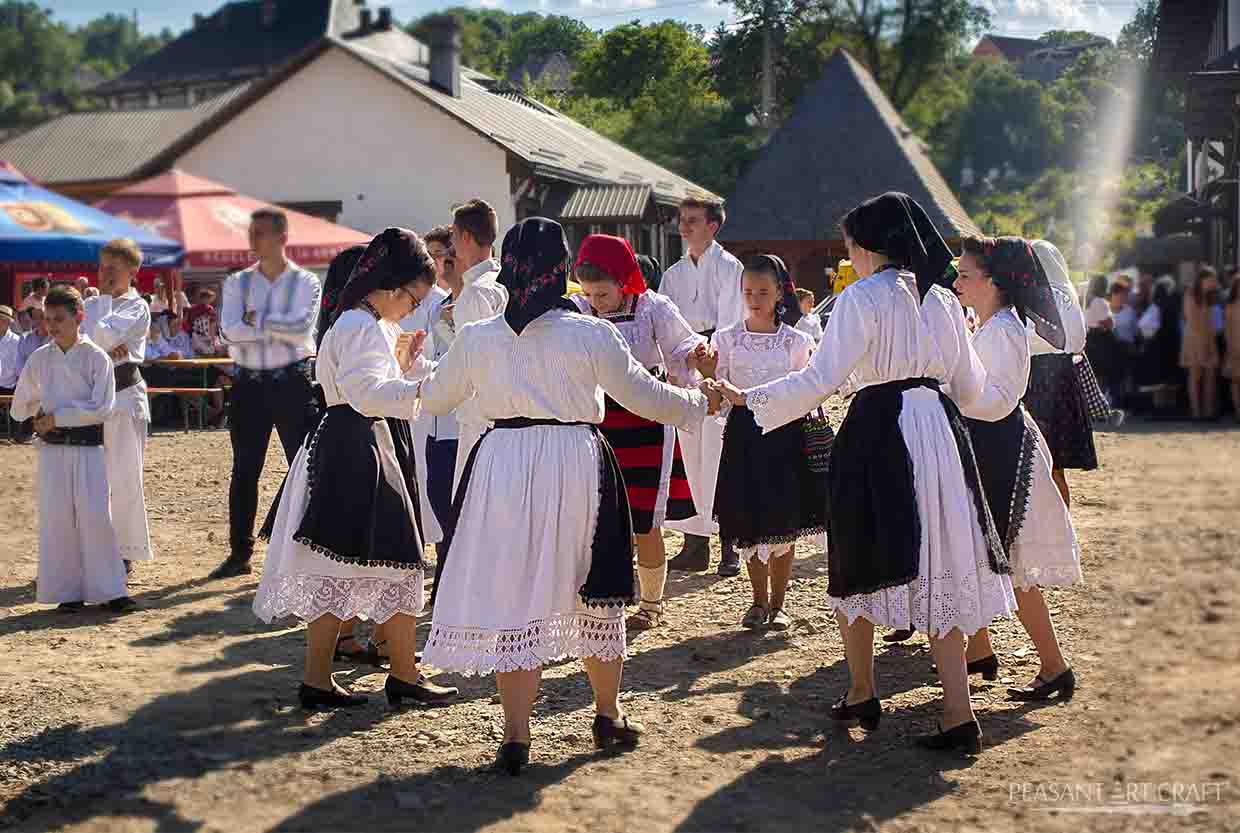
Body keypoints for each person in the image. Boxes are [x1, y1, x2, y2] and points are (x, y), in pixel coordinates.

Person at [712, 192, 1016, 753]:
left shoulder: (863, 298)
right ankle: (957, 709)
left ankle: (861, 687)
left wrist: (748, 400)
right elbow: (972, 389)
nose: (850, 254)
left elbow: (820, 379)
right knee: (942, 556)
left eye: (852, 244)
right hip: (939, 431)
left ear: (871, 246)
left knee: (856, 553)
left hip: (880, 429)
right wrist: (1007, 413)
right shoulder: (945, 302)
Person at [419, 218, 717, 775]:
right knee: (593, 587)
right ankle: (608, 713)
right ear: (561, 272)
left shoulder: (477, 337)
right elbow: (644, 395)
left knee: (515, 591)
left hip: (501, 466)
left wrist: (410, 367)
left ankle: (516, 736)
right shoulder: (589, 332)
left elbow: (436, 399)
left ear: (509, 268)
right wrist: (702, 404)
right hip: (575, 461)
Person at [253, 227, 456, 709]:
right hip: (356, 445)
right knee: (396, 560)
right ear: (389, 287)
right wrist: (421, 392)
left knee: (342, 566)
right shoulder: (361, 326)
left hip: (352, 441)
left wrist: (409, 368)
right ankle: (395, 675)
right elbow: (367, 393)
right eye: (412, 298)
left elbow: (372, 383)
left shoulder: (366, 323)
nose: (412, 308)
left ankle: (329, 677)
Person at [952, 236, 1081, 701]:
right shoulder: (988, 325)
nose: (957, 280)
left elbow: (998, 402)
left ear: (996, 282)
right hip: (990, 447)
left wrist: (949, 396)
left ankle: (1053, 665)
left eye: (966, 274)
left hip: (1004, 452)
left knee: (1014, 564)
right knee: (982, 553)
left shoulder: (1004, 330)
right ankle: (980, 647)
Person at [572, 234, 704, 631]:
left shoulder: (651, 307)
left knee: (646, 519)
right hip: (600, 422)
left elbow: (682, 345)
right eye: (591, 293)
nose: (597, 301)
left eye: (603, 292)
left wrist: (699, 354)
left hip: (647, 420)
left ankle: (650, 604)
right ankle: (603, 597)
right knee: (599, 515)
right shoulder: (579, 310)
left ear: (624, 281)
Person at [699, 255, 826, 631]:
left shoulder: (796, 341)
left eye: (763, 291)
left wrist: (750, 396)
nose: (755, 298)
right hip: (743, 437)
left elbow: (807, 392)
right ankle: (756, 600)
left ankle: (779, 603)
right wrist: (708, 376)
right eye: (748, 292)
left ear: (779, 293)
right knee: (749, 518)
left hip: (785, 435)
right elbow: (716, 398)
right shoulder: (725, 339)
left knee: (783, 519)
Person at [208, 208, 322, 580]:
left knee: (303, 467)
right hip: (249, 382)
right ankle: (239, 552)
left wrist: (256, 320)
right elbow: (228, 331)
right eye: (251, 232)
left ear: (281, 237)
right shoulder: (238, 283)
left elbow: (301, 327)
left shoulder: (305, 282)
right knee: (244, 470)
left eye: (260, 233)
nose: (253, 240)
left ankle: (310, 548)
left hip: (292, 380)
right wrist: (275, 325)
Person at [10, 287, 134, 612]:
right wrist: (35, 416)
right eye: (48, 319)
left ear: (79, 317)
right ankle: (67, 591)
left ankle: (110, 590)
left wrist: (58, 417)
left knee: (95, 516)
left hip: (89, 447)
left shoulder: (96, 357)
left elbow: (102, 408)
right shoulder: (40, 358)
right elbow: (20, 404)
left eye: (60, 319)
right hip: (52, 452)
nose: (52, 326)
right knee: (57, 519)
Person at [658, 197, 745, 576]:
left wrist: (711, 359)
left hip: (719, 360)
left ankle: (730, 542)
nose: (684, 227)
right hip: (685, 361)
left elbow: (731, 322)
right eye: (682, 221)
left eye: (692, 221)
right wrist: (684, 357)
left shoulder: (730, 268)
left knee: (721, 453)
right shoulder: (673, 274)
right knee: (689, 453)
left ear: (713, 225)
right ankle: (695, 543)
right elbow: (665, 320)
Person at [84, 239, 155, 568]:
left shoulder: (135, 306)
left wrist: (98, 334)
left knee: (125, 476)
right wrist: (98, 338)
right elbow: (77, 343)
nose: (106, 274)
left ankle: (126, 551)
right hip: (92, 397)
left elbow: (99, 337)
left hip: (125, 396)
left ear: (133, 271)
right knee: (91, 477)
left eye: (114, 268)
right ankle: (95, 546)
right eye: (102, 267)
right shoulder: (93, 303)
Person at [1023, 240, 1094, 508]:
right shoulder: (1069, 294)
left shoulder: (1038, 296)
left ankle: (1058, 523)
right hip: (1063, 376)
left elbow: (1033, 340)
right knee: (1054, 465)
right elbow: (1077, 341)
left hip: (1041, 378)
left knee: (1046, 462)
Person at [447, 199, 509, 491]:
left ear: (466, 238)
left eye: (454, 236)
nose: (453, 245)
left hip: (480, 414)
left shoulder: (475, 293)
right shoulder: (504, 283)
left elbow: (473, 361)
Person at [403, 226, 452, 559]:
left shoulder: (446, 303)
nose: (433, 259)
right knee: (416, 476)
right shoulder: (413, 298)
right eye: (428, 253)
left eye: (438, 252)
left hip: (444, 404)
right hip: (410, 398)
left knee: (439, 485)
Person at [1182, 266, 1222, 421]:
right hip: (1194, 338)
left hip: (1208, 338)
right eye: (1210, 280)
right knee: (1196, 375)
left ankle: (1208, 411)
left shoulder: (1209, 296)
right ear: (1201, 280)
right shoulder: (1191, 294)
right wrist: (1203, 340)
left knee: (1210, 375)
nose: (1213, 283)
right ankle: (1196, 412)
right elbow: (1191, 319)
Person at [13, 306, 52, 442]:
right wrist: (30, 378)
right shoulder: (24, 339)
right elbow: (19, 365)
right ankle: (26, 431)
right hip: (30, 382)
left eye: (42, 317)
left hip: (51, 383)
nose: (39, 321)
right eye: (35, 317)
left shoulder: (56, 339)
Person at [1225, 276, 1240, 423]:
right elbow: (1227, 330)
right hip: (1235, 347)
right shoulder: (1230, 306)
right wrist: (1230, 348)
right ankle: (1237, 411)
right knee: (1235, 381)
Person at [0, 305, 20, 394]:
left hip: (8, 388)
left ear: (8, 322)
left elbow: (18, 370)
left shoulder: (17, 341)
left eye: (1, 319)